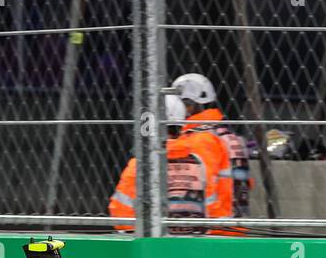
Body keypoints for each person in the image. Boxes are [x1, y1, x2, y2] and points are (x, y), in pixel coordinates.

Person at [108, 95, 229, 233]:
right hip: (194, 245)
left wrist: (138, 234)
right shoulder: (198, 163)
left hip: (153, 246)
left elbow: (120, 211)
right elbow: (213, 210)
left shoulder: (140, 165)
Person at [172, 72, 252, 227]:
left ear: (189, 105)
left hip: (212, 228)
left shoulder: (199, 140)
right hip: (234, 224)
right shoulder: (228, 136)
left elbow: (202, 186)